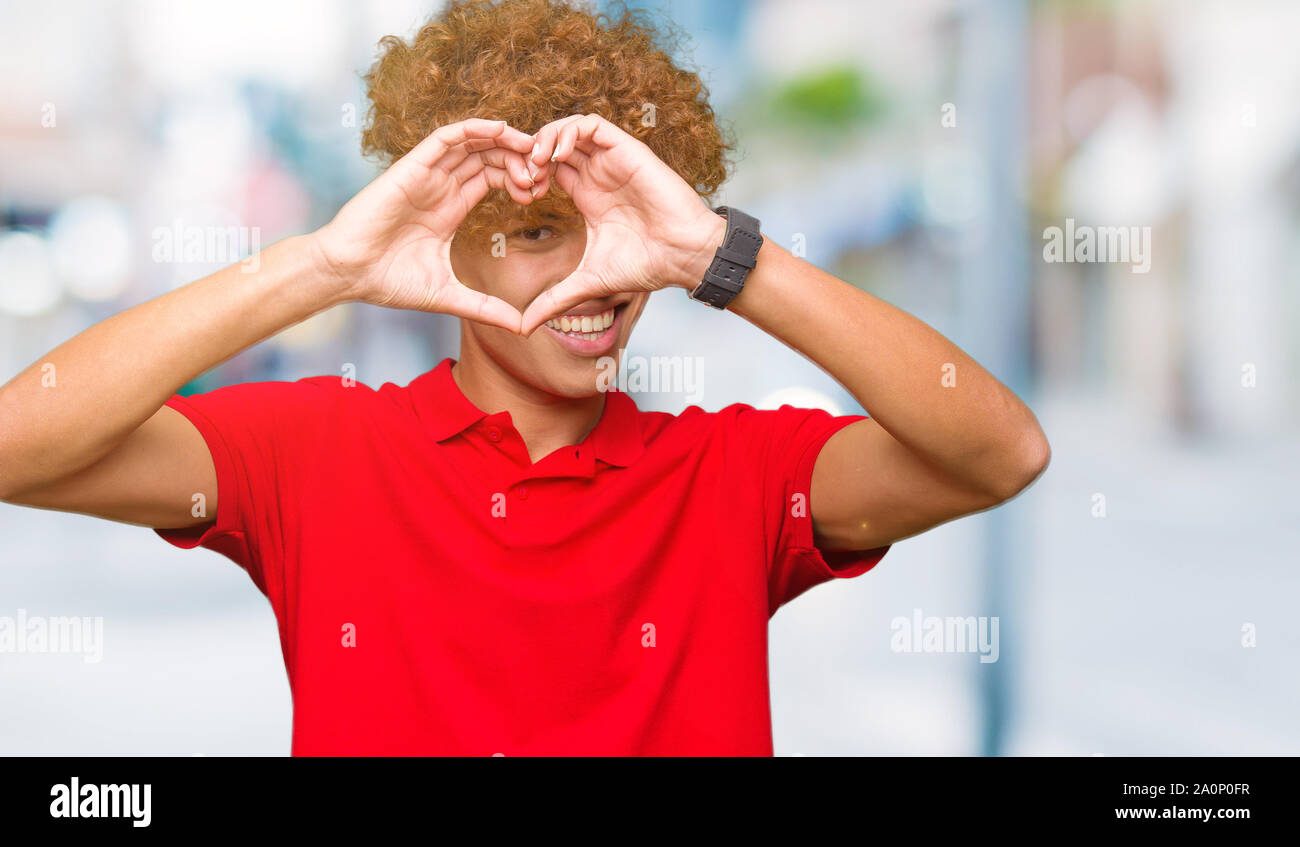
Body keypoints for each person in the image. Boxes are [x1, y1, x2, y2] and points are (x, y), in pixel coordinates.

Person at [0, 0, 1049, 755]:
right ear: (454, 238)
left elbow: (1002, 452)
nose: (599, 274)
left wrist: (719, 256)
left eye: (621, 235)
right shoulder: (314, 452)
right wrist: (324, 265)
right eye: (540, 231)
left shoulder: (733, 474)